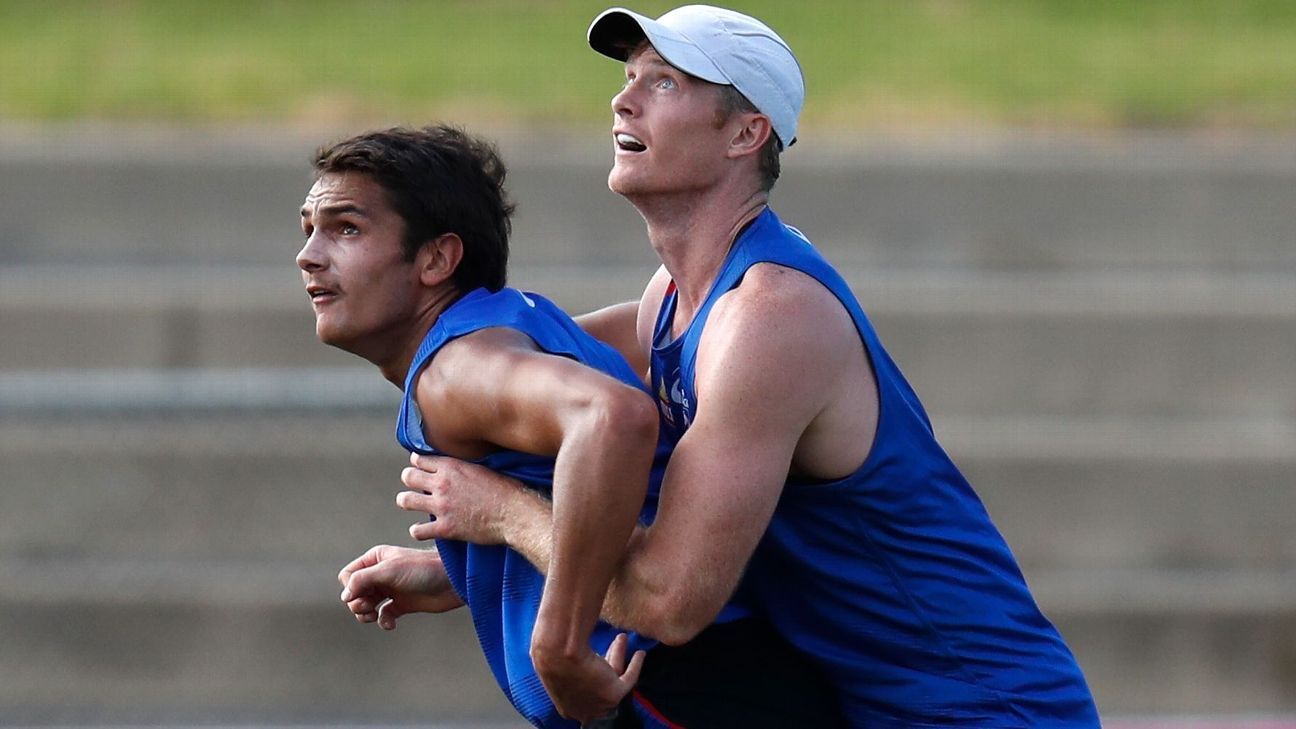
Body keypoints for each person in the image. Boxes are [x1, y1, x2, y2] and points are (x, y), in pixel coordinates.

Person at [388, 6, 1103, 727]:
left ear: (744, 132)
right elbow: (531, 385)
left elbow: (668, 599)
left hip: (986, 709)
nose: (622, 98)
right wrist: (457, 567)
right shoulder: (671, 300)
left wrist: (501, 515)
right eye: (629, 75)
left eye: (664, 82)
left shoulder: (769, 318)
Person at [303, 124, 843, 728]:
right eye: (310, 229)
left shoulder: (454, 369)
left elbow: (612, 418)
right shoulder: (513, 324)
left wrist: (557, 644)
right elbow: (613, 475)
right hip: (731, 677)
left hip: (679, 689)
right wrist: (459, 572)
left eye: (346, 229)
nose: (309, 255)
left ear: (436, 258)